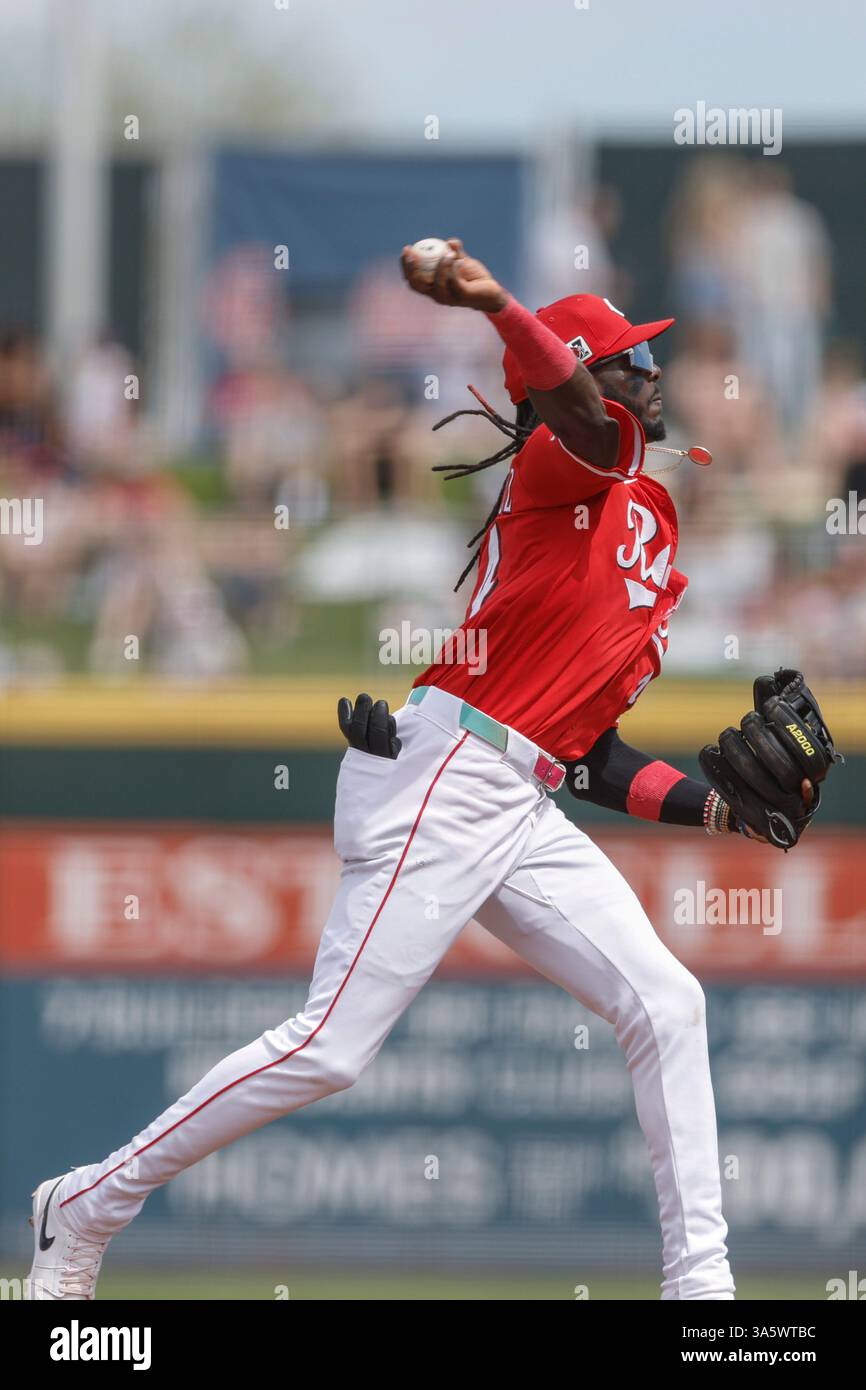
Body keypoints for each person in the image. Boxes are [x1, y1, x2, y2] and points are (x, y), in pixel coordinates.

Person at [28, 239, 813, 1303]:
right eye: (628, 359)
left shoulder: (646, 519)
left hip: (519, 791)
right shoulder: (563, 462)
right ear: (582, 375)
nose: (651, 372)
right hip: (448, 775)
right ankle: (83, 1205)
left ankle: (699, 1290)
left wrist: (717, 808)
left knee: (666, 1002)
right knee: (330, 1049)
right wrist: (493, 301)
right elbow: (574, 407)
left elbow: (587, 757)